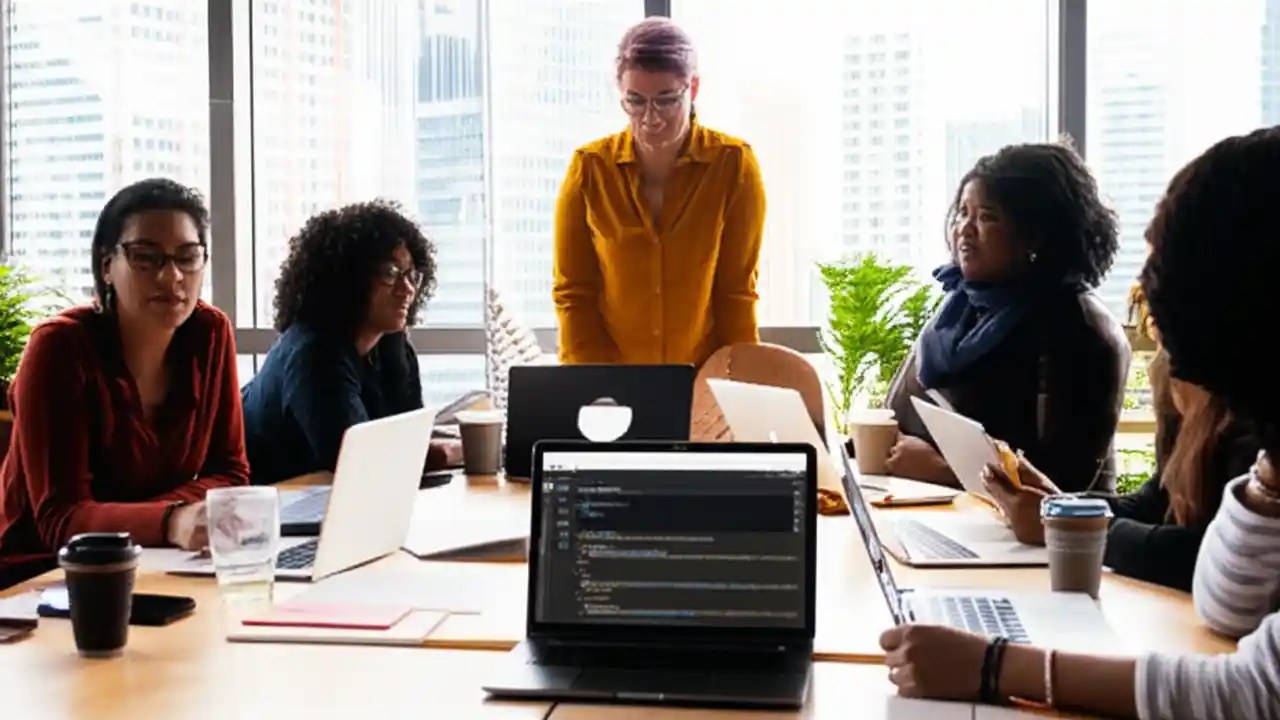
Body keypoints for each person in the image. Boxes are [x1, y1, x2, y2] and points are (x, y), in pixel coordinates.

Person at [881, 125, 1280, 719]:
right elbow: (1230, 602)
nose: (1147, 310)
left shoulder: (1077, 330)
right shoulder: (955, 313)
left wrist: (996, 665)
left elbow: (1255, 690)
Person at [0, 178, 248, 589]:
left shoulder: (209, 333)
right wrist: (170, 520)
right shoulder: (59, 348)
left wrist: (157, 522)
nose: (172, 278)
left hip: (156, 563)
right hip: (42, 578)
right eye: (145, 258)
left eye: (188, 258)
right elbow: (60, 517)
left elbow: (232, 473)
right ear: (106, 267)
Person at [883, 142, 1130, 493]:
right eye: (962, 212)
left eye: (987, 216)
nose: (965, 229)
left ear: (1036, 235)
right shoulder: (958, 310)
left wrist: (944, 470)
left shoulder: (1080, 328)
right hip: (950, 518)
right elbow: (892, 415)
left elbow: (1060, 483)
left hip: (1047, 541)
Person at [552, 17, 766, 367]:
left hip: (704, 380)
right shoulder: (589, 169)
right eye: (634, 101)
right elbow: (573, 293)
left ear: (692, 88)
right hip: (611, 383)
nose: (650, 118)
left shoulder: (733, 166)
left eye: (666, 100)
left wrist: (736, 389)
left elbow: (736, 295)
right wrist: (591, 391)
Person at [240, 199, 460, 486]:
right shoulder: (314, 353)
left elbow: (408, 439)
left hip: (336, 501)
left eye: (411, 275)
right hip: (277, 512)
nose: (406, 289)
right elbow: (357, 460)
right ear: (348, 279)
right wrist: (454, 451)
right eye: (390, 273)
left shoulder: (392, 345)